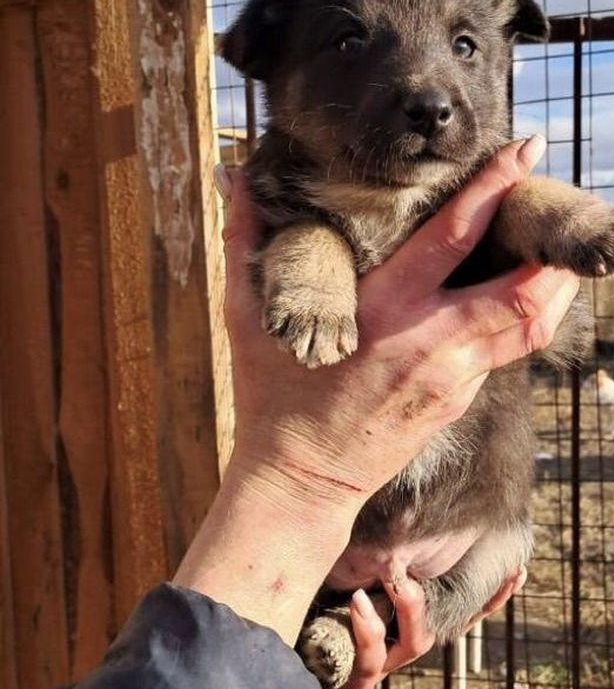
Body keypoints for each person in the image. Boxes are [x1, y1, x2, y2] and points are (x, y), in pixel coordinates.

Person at [76, 135, 580, 688]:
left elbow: (557, 323)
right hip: (327, 554)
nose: (429, 95)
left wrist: (546, 214)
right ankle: (341, 623)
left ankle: (358, 624)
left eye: (465, 44)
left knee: (506, 550)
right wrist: (305, 475)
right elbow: (299, 229)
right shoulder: (300, 177)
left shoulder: (477, 186)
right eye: (349, 41)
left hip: (465, 532)